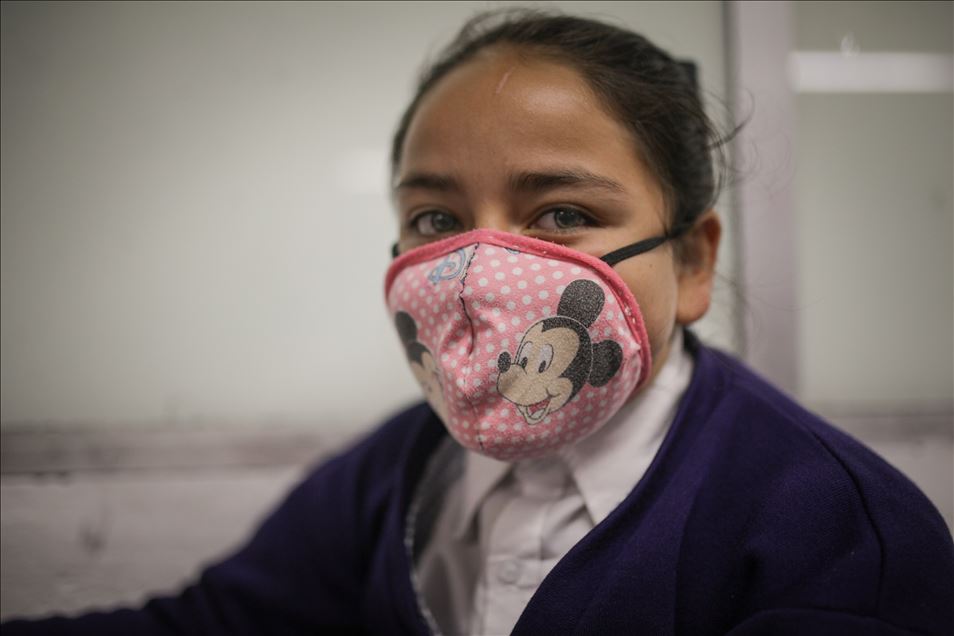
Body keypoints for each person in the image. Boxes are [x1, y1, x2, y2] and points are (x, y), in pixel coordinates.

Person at [3, 9, 952, 636]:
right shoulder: (397, 471)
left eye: (563, 213)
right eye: (434, 220)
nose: (477, 272)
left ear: (693, 262)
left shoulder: (833, 532)